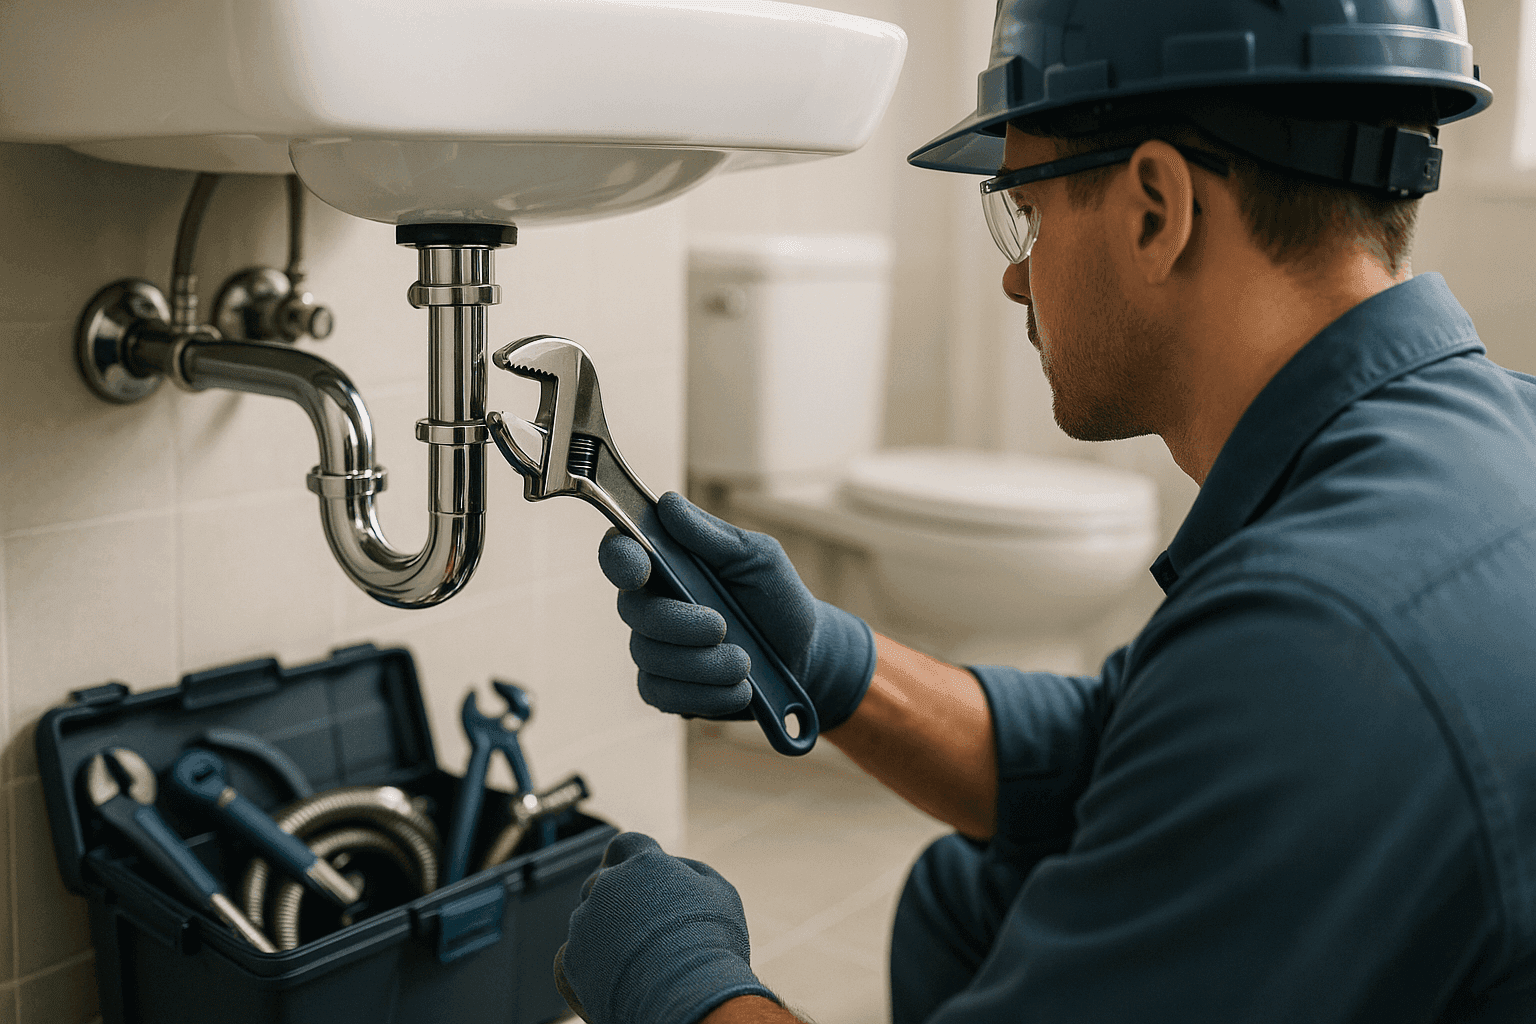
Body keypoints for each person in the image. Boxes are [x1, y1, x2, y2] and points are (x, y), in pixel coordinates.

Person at [554, 2, 1536, 1022]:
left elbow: (1269, 706)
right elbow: (1120, 747)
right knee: (966, 898)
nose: (1017, 276)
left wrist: (675, 977)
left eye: (1026, 209)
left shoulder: (1326, 637)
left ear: (1155, 210)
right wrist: (824, 658)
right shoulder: (1480, 441)